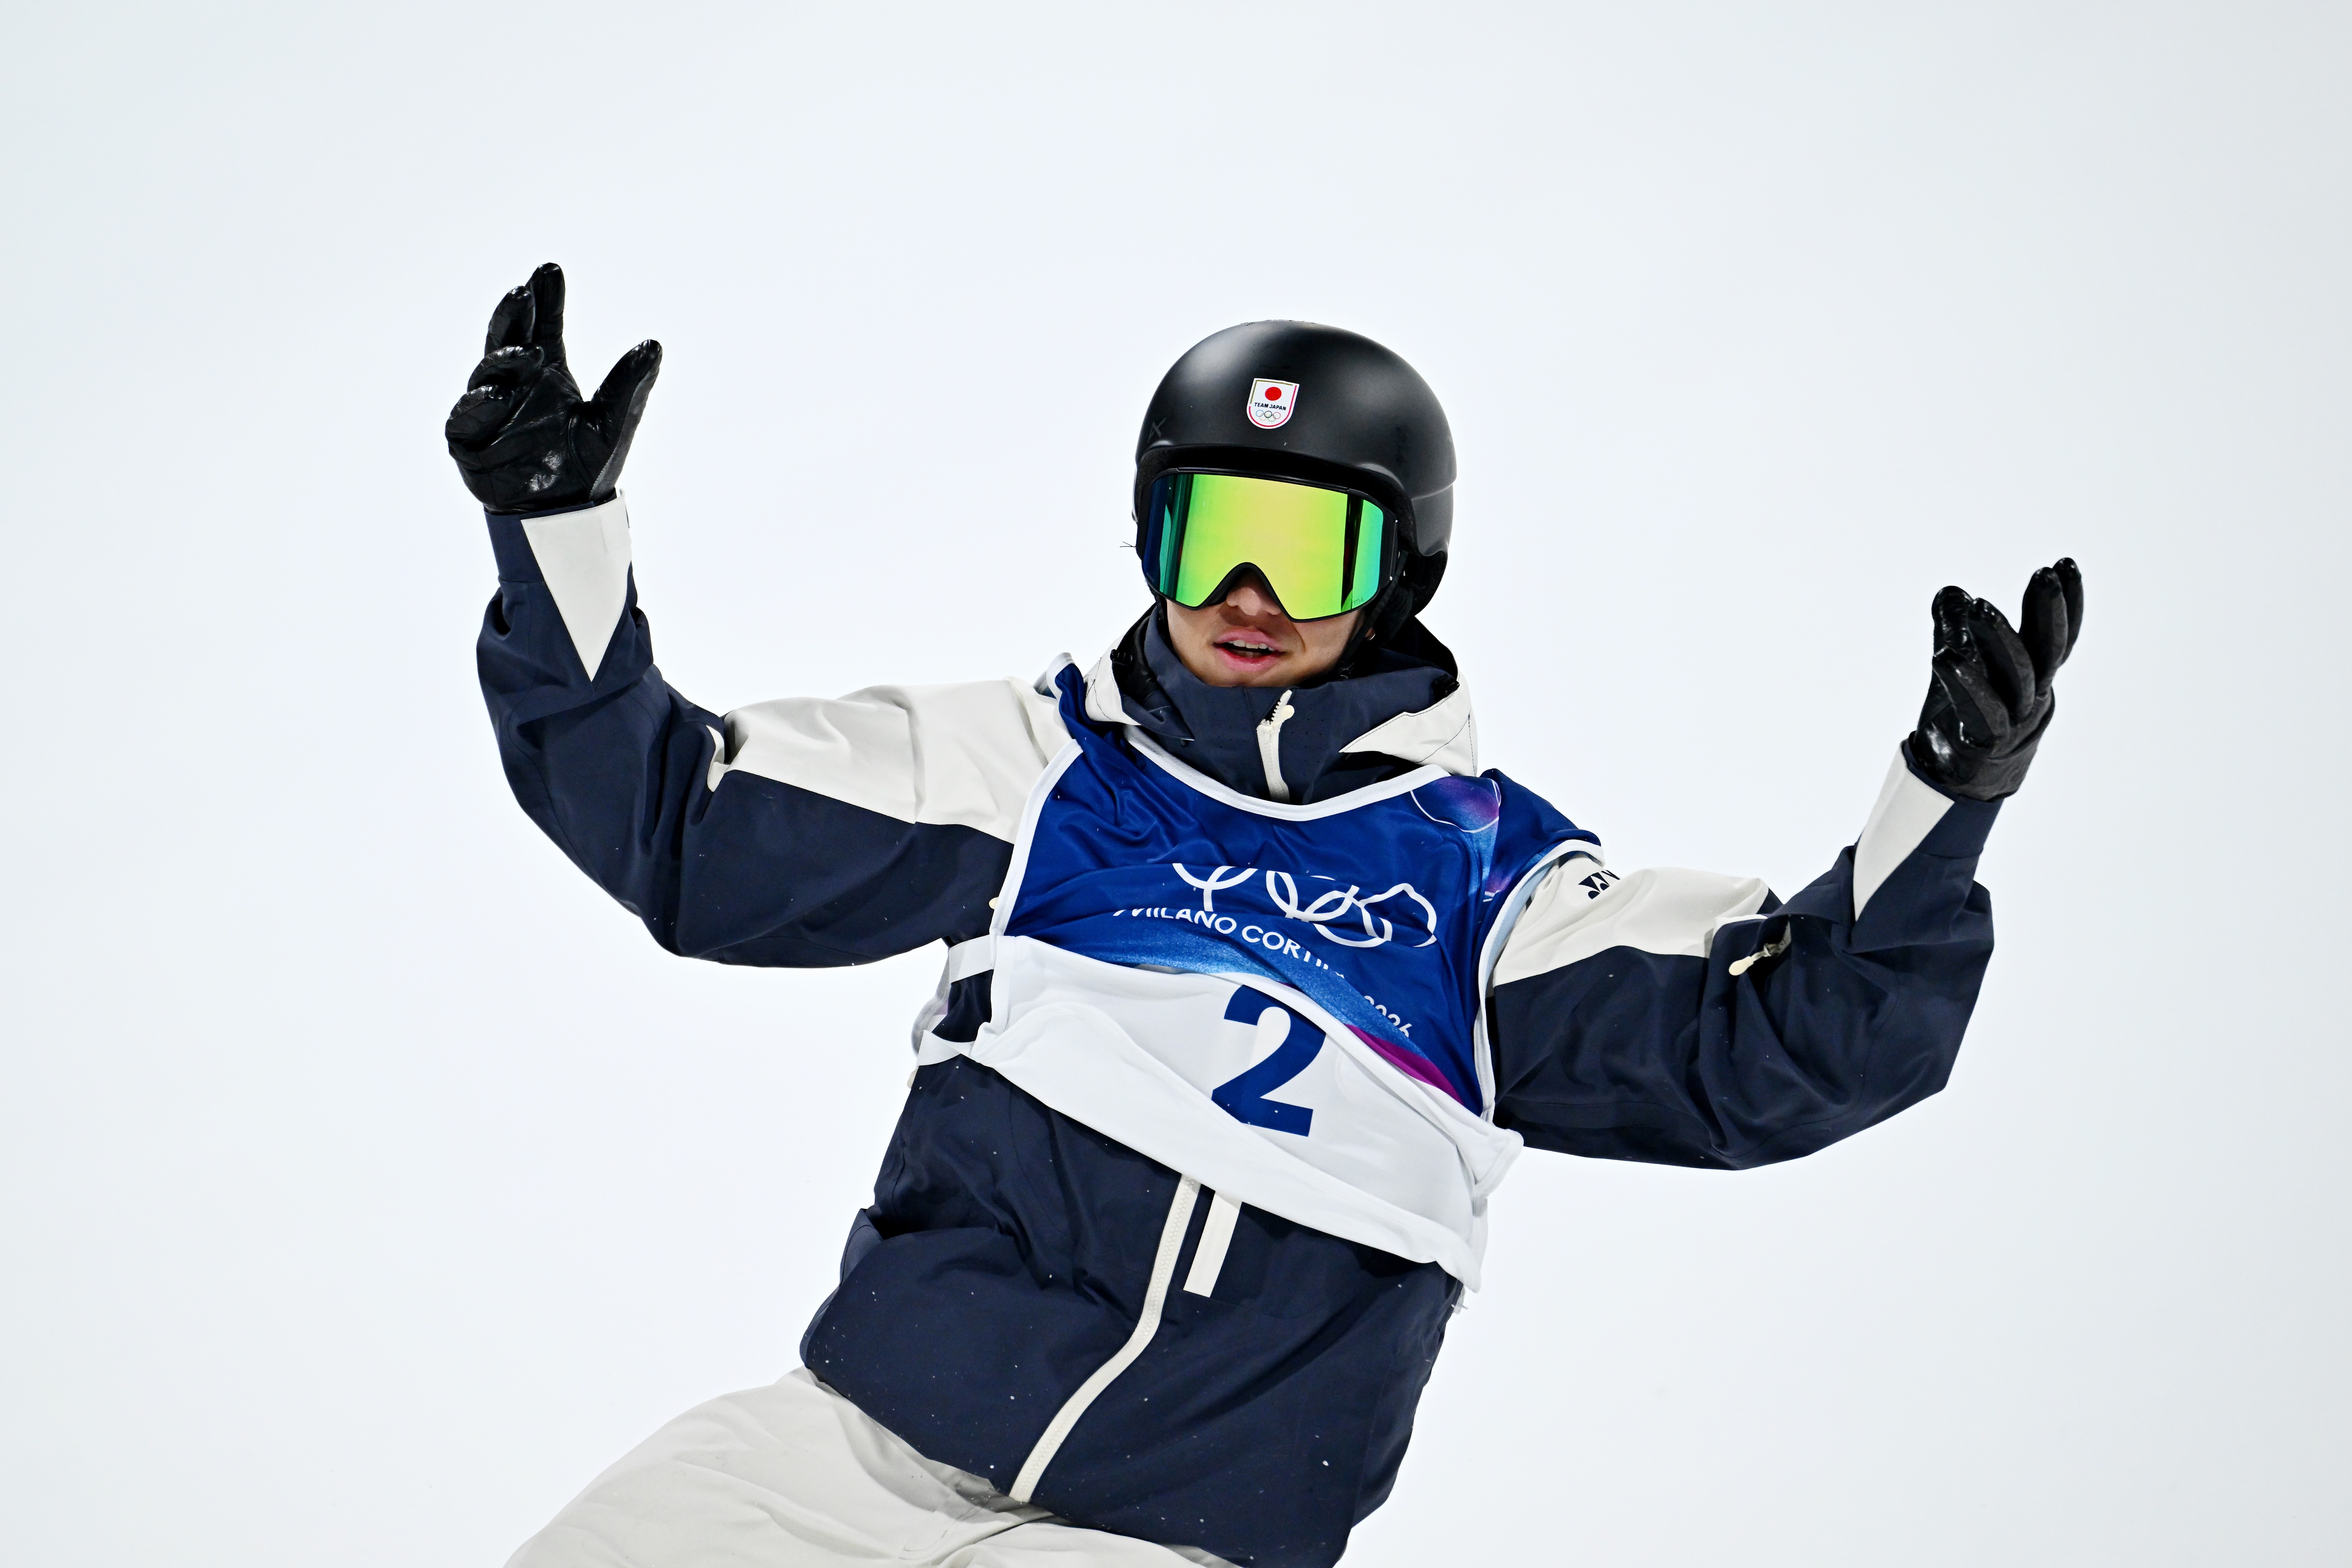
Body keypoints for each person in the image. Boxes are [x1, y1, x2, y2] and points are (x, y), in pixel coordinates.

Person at [450, 263, 2083, 1568]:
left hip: (1174, 1537)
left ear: (1396, 573)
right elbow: (688, 830)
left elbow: (1782, 1047)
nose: (1248, 598)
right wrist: (555, 533)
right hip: (851, 1454)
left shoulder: (1492, 890)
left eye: (1304, 549)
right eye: (1212, 535)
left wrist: (1944, 802)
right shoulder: (1036, 769)